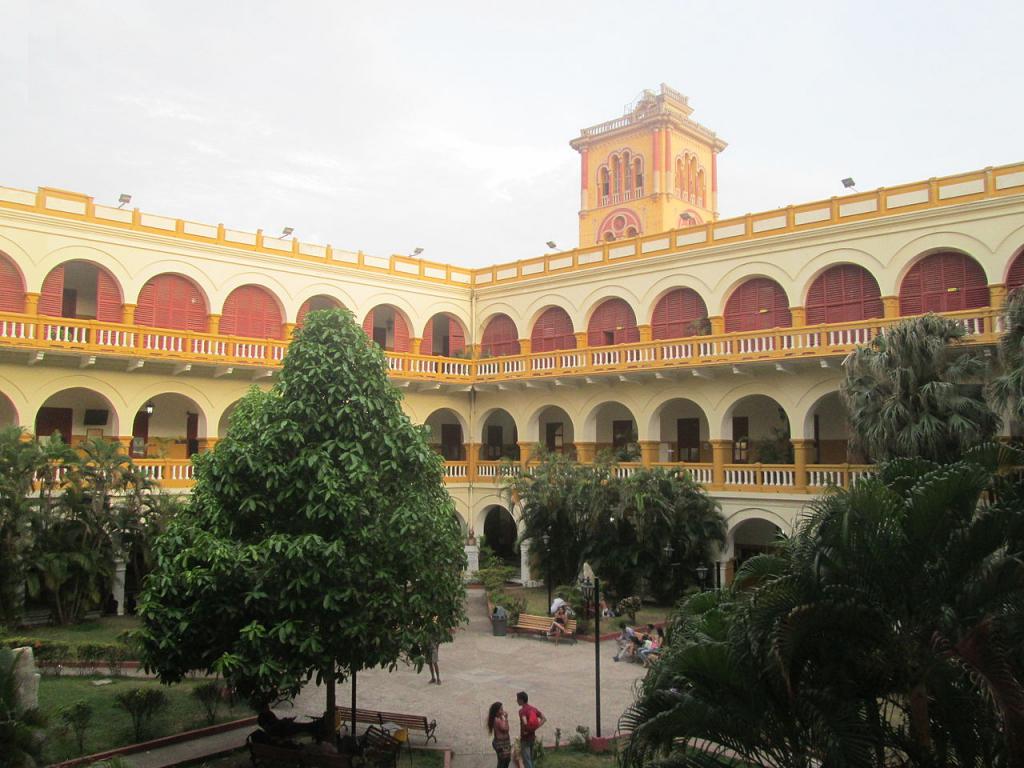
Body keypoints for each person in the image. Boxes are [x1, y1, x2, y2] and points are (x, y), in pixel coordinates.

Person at [517, 691, 545, 768]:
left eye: (518, 699)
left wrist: (527, 730)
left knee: (527, 761)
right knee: (531, 759)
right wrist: (535, 727)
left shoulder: (521, 711)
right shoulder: (533, 709)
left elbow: (525, 723)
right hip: (532, 737)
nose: (517, 701)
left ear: (522, 700)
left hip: (525, 739)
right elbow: (544, 718)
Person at [486, 701, 512, 768]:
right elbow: (505, 729)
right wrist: (506, 718)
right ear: (496, 711)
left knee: (505, 760)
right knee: (502, 762)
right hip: (501, 744)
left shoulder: (498, 719)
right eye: (501, 709)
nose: (503, 711)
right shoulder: (497, 720)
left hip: (503, 743)